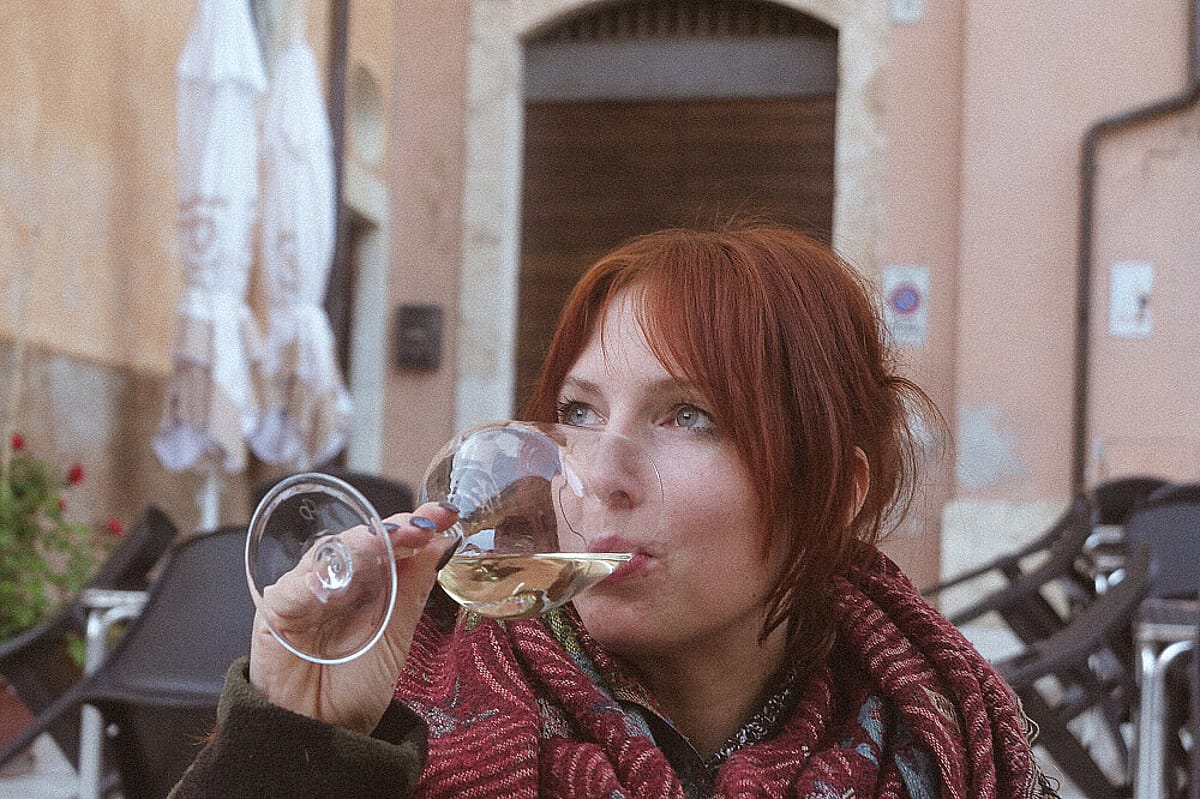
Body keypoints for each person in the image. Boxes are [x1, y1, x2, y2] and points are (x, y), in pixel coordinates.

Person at [172, 223, 1057, 798]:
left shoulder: (949, 738)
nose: (596, 476)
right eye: (582, 411)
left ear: (839, 493)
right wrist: (287, 743)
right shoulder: (402, 714)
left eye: (691, 416)